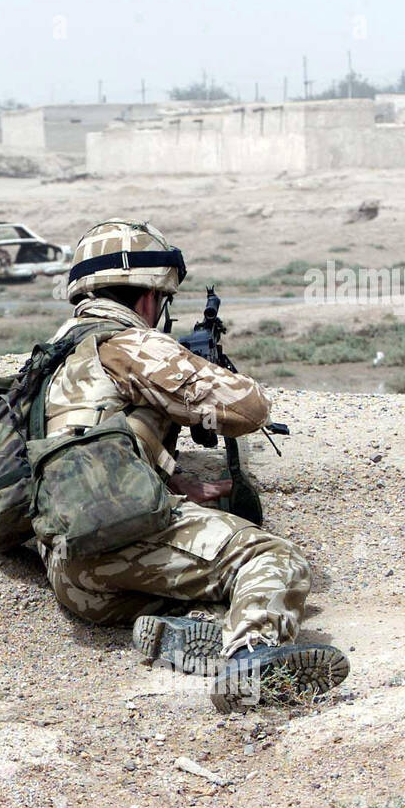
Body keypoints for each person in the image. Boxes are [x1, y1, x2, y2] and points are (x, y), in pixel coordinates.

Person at [38, 220, 348, 711]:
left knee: (207, 591)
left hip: (76, 574)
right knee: (270, 560)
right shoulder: (129, 344)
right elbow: (247, 410)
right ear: (147, 298)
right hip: (123, 535)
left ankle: (186, 637)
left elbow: (90, 444)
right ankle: (253, 660)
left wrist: (175, 480)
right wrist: (205, 370)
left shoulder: (51, 357)